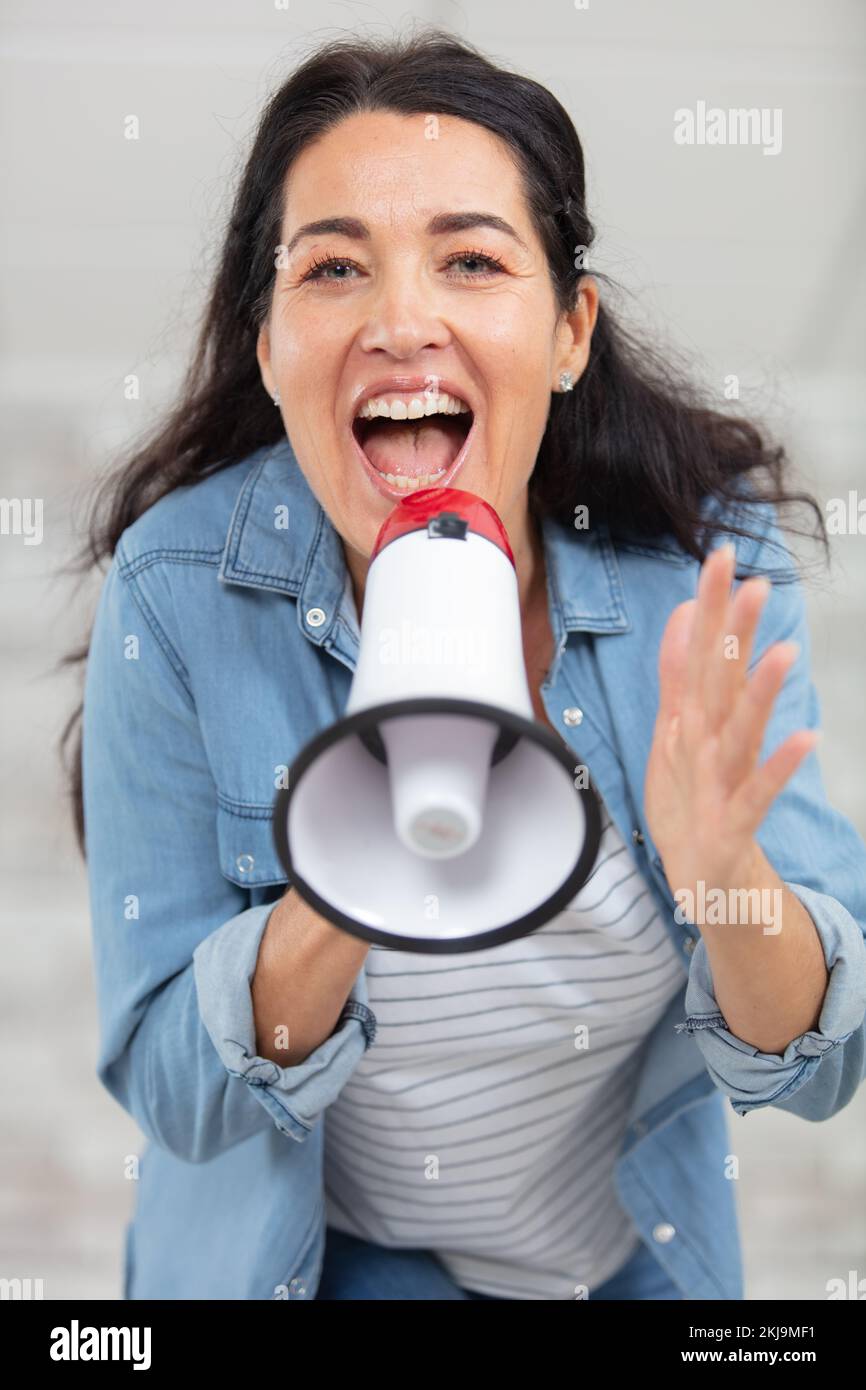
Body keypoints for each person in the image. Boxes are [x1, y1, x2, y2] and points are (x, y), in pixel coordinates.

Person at [63, 28, 866, 1301]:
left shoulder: (702, 565)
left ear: (566, 330)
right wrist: (359, 861)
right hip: (319, 1263)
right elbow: (177, 1086)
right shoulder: (174, 593)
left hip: (621, 1261)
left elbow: (820, 1062)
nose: (399, 320)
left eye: (470, 260)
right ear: (270, 345)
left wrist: (726, 880)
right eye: (333, 266)